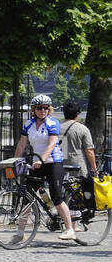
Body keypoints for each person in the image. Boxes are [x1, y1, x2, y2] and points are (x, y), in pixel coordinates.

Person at [14, 93, 77, 241]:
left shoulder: (53, 123)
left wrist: (42, 159)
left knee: (56, 197)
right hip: (38, 163)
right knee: (26, 198)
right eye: (39, 108)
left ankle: (70, 229)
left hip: (53, 162)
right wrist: (15, 161)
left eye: (46, 108)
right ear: (33, 110)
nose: (43, 110)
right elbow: (22, 144)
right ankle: (19, 234)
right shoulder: (28, 125)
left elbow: (51, 144)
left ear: (49, 109)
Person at [60, 101, 97, 177]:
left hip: (60, 164)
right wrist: (95, 169)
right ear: (77, 114)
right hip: (77, 165)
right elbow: (89, 150)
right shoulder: (82, 129)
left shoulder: (57, 128)